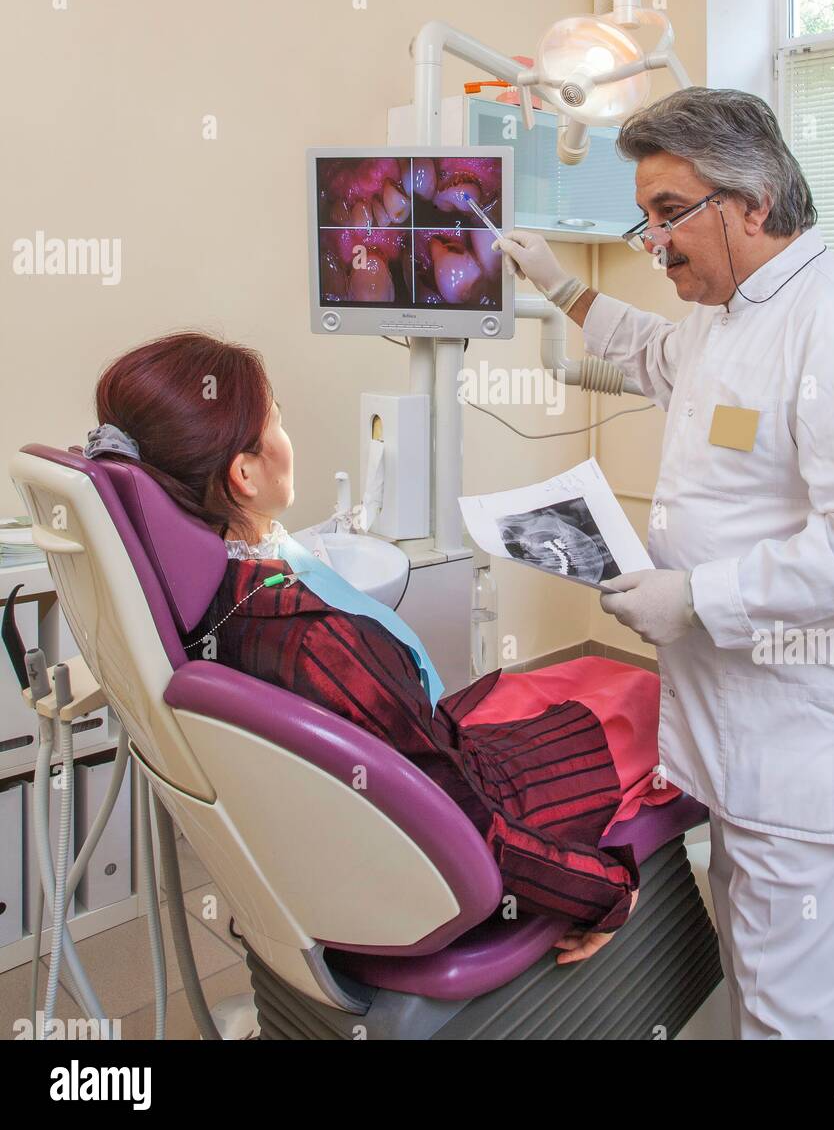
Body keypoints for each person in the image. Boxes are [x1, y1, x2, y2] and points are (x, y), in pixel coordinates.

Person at [493, 86, 834, 1037]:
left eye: (668, 212)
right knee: (755, 981)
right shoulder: (726, 310)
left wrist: (700, 595)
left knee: (804, 1018)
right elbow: (662, 358)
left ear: (752, 202)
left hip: (813, 749)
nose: (650, 240)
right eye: (644, 215)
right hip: (742, 741)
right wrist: (560, 288)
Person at [92, 332, 681, 964]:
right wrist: (608, 892)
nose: (288, 438)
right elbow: (473, 836)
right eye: (278, 421)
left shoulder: (208, 607)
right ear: (243, 473)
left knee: (583, 675)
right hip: (456, 818)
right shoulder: (317, 639)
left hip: (384, 794)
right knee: (645, 702)